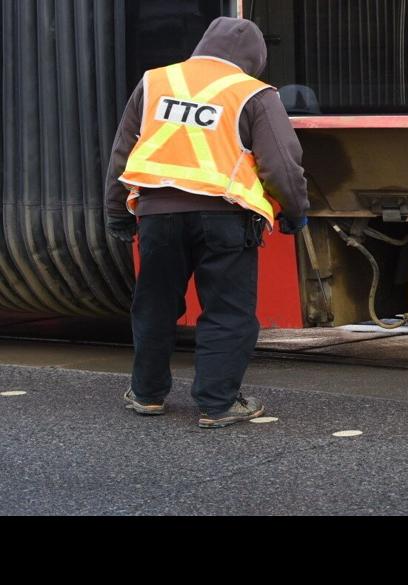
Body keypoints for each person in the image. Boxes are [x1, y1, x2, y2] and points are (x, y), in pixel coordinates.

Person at [104, 17, 308, 429]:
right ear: (254, 59)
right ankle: (217, 404)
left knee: (155, 304)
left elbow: (123, 152)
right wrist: (294, 210)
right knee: (226, 311)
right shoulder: (253, 92)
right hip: (226, 217)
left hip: (158, 216)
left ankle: (147, 394)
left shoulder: (155, 82)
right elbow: (281, 165)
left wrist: (115, 211)